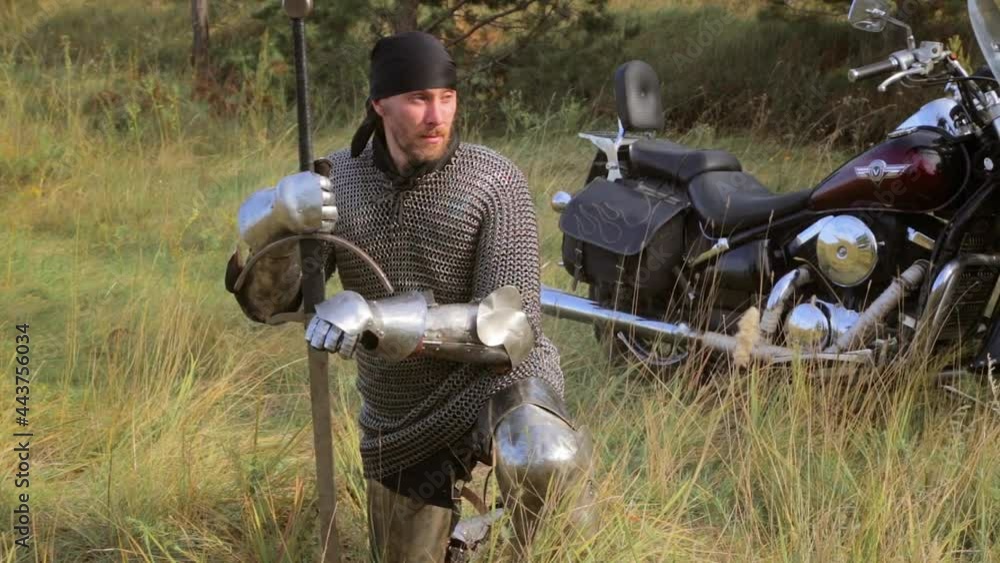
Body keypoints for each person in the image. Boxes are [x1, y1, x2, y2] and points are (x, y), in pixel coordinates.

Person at [224, 31, 595, 562]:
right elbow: (268, 304)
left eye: (446, 97)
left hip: (499, 381)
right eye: (418, 99)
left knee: (544, 454)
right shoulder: (338, 184)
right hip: (401, 406)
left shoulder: (492, 180)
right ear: (379, 104)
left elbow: (511, 329)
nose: (436, 115)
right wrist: (276, 218)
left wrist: (377, 317)